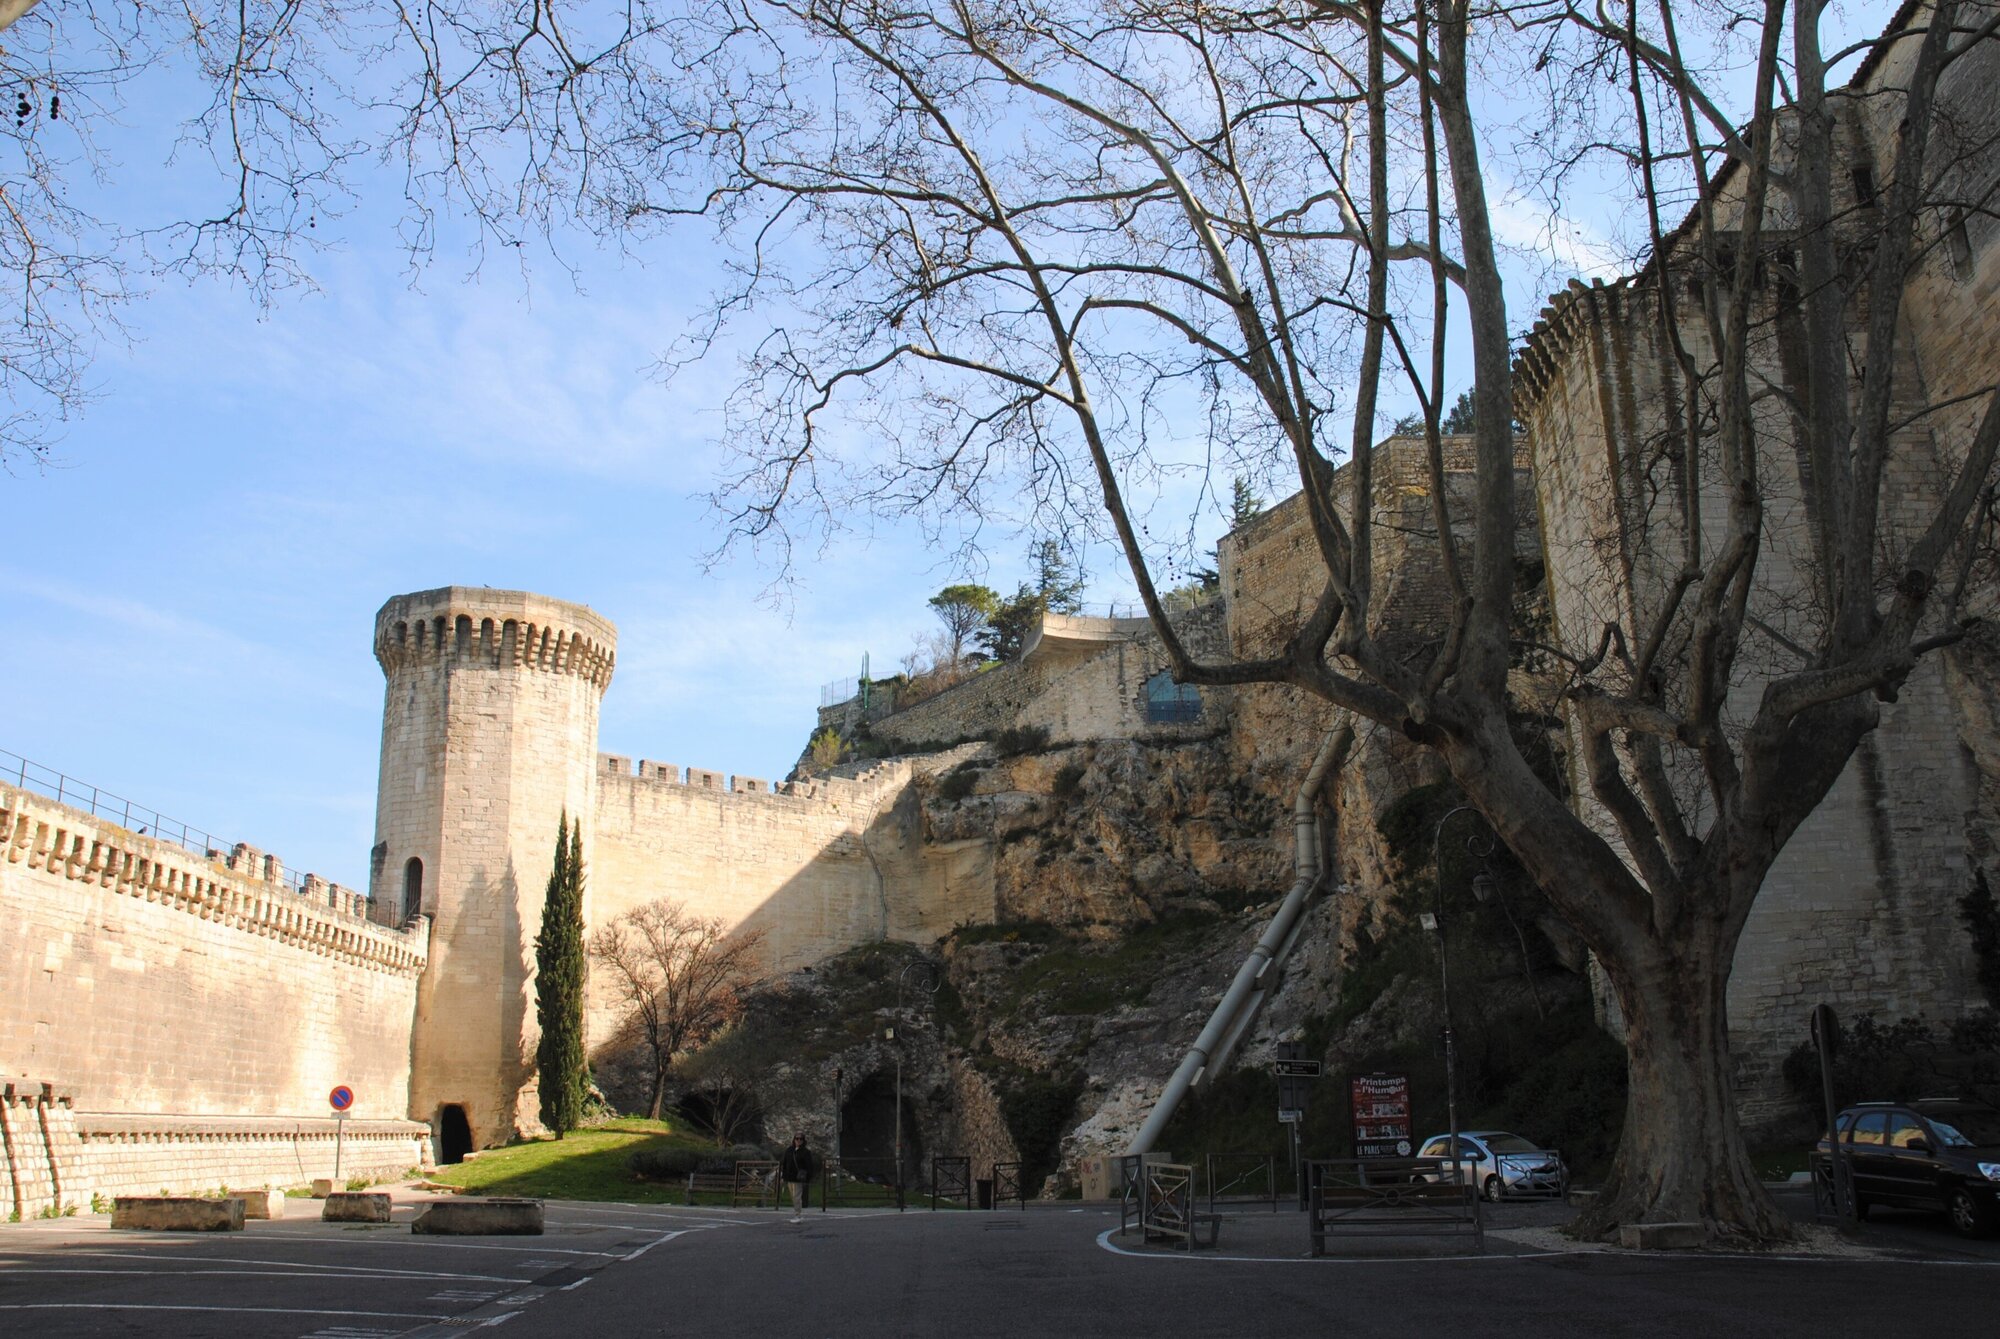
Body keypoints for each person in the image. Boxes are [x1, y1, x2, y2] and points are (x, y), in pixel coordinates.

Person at [779, 1133, 818, 1223]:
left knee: (796, 1197)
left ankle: (798, 1215)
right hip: (789, 1177)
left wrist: (808, 1177)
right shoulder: (789, 1150)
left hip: (798, 1177)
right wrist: (783, 1176)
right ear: (794, 1140)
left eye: (801, 1139)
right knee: (793, 1197)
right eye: (797, 1138)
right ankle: (797, 1213)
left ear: (803, 1141)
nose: (799, 1140)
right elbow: (784, 1164)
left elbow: (809, 1166)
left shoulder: (806, 1152)